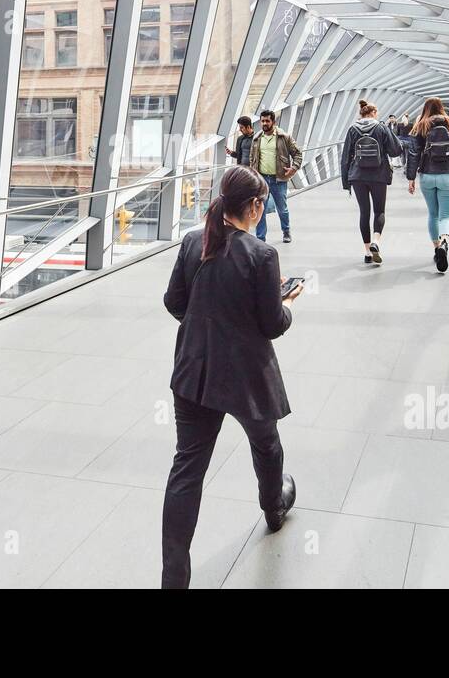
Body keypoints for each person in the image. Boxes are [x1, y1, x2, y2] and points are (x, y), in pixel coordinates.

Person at [161, 165, 300, 589]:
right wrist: (288, 302)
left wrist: (208, 323)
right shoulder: (262, 256)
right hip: (246, 378)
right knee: (266, 444)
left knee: (187, 471)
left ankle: (174, 580)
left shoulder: (192, 242)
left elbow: (173, 302)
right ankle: (274, 507)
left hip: (194, 374)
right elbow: (272, 324)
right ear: (256, 207)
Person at [341, 99, 404, 265]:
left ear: (361, 113)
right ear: (374, 113)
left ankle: (368, 252)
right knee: (379, 212)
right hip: (379, 175)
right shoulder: (381, 127)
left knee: (364, 213)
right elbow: (396, 150)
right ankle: (376, 240)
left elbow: (345, 157)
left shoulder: (352, 129)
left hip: (357, 176)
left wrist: (346, 182)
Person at [406, 97, 449, 274]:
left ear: (425, 109)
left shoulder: (420, 126)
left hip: (427, 175)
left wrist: (411, 178)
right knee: (446, 215)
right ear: (442, 108)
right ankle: (444, 242)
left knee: (433, 214)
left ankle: (436, 247)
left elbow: (413, 153)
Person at [248, 109, 303, 243]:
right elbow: (252, 158)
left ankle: (286, 231)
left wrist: (293, 169)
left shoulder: (284, 137)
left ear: (273, 121)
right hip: (261, 180)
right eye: (262, 121)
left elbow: (297, 154)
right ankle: (260, 238)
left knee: (282, 208)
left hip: (278, 179)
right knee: (260, 209)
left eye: (267, 121)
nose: (265, 123)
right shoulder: (257, 139)